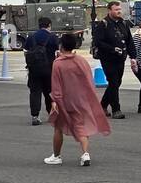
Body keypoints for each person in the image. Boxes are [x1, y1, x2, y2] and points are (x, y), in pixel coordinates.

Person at [45, 32, 110, 166]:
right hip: (82, 99)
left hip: (65, 100)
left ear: (61, 46)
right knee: (81, 127)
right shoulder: (81, 61)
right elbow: (88, 80)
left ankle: (57, 155)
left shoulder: (58, 64)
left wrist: (54, 101)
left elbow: (56, 86)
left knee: (58, 127)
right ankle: (85, 153)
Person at [92, 1, 134, 118]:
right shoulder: (103, 24)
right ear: (109, 10)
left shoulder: (123, 23)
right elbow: (98, 42)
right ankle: (116, 110)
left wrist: (133, 57)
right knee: (114, 82)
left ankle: (102, 105)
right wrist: (112, 49)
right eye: (116, 9)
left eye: (119, 9)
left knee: (116, 83)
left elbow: (129, 41)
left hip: (120, 58)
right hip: (107, 58)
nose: (119, 11)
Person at [23, 16, 59, 126]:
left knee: (35, 92)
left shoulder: (31, 37)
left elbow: (25, 52)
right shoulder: (53, 37)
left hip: (34, 70)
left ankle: (35, 116)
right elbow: (58, 54)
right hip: (49, 69)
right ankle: (51, 112)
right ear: (49, 25)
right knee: (49, 92)